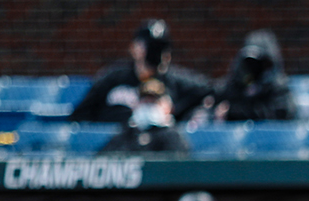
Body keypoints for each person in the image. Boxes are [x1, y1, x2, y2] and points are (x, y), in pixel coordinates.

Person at [71, 20, 213, 124]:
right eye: (150, 46)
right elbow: (80, 115)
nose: (155, 53)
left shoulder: (176, 81)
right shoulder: (114, 78)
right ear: (134, 48)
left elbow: (210, 91)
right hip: (118, 147)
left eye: (160, 48)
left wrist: (176, 111)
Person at [213, 30, 293, 122]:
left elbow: (279, 113)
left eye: (260, 63)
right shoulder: (236, 85)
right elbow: (214, 100)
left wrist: (234, 113)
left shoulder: (279, 89)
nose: (254, 67)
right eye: (250, 63)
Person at [98, 79, 189, 154]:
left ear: (168, 108)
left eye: (153, 102)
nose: (148, 106)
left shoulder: (173, 137)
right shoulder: (125, 133)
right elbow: (104, 159)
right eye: (144, 101)